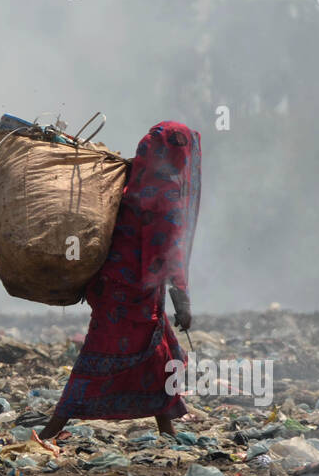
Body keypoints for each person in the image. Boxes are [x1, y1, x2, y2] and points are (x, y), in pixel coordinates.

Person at [39, 120, 201, 440]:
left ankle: (166, 427)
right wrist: (181, 297)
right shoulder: (166, 191)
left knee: (156, 353)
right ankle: (53, 426)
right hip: (134, 290)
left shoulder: (134, 177)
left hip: (110, 284)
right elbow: (167, 249)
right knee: (110, 356)